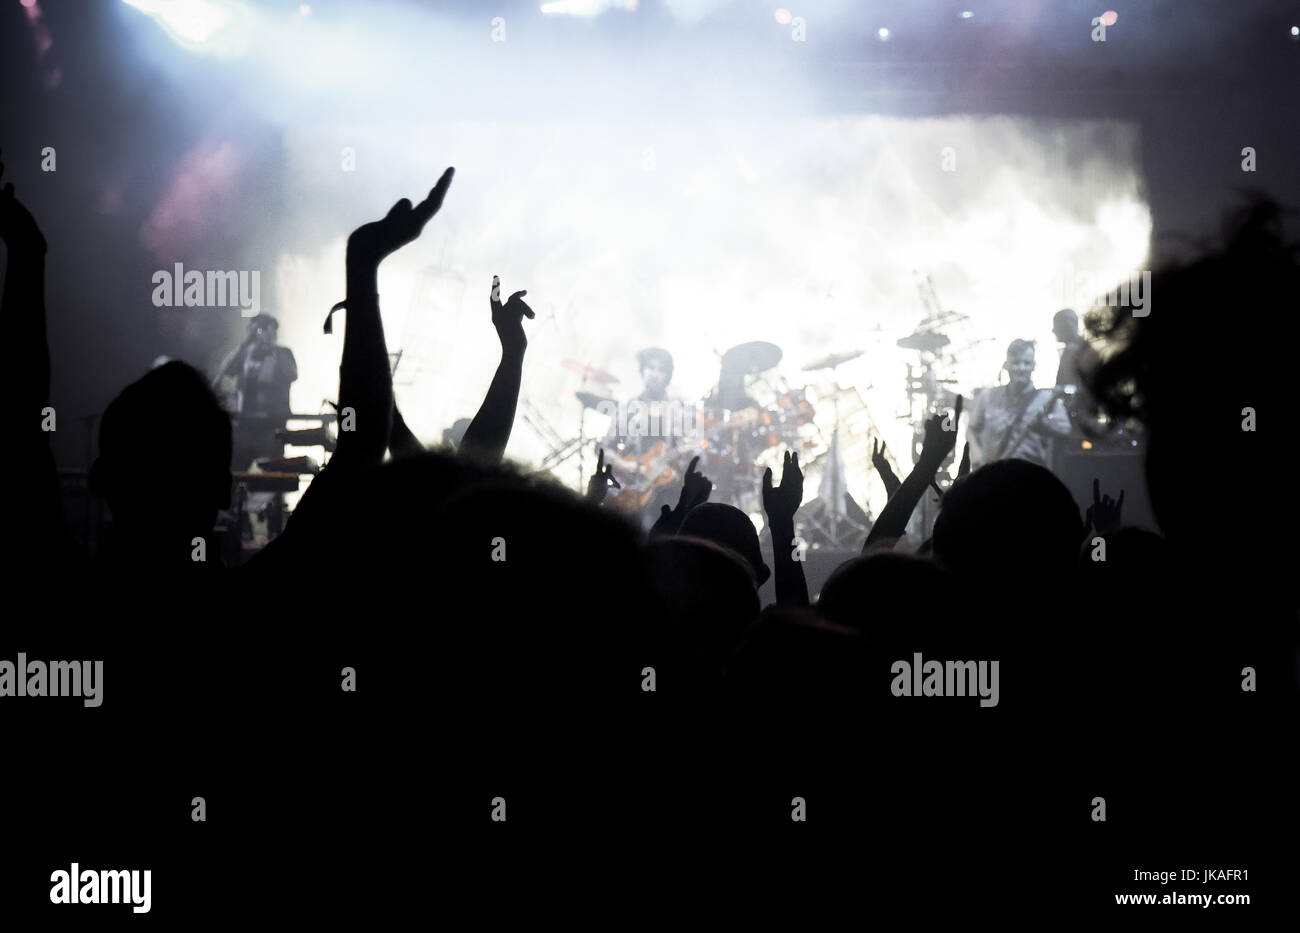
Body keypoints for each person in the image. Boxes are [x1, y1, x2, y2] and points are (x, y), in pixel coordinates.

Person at [966, 338, 1071, 469]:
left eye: (1026, 363)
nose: (1021, 368)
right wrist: (976, 456)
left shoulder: (1047, 399)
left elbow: (1065, 429)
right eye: (1015, 363)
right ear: (1006, 365)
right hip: (993, 474)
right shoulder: (988, 396)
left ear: (1034, 366)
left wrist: (1043, 424)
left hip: (1030, 477)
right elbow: (972, 429)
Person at [212, 313, 298, 469]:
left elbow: (292, 374)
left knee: (272, 474)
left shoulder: (283, 353)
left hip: (271, 427)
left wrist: (271, 348)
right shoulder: (245, 354)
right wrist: (244, 344)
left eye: (271, 330)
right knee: (236, 471)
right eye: (262, 329)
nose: (269, 333)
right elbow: (227, 370)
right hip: (245, 426)